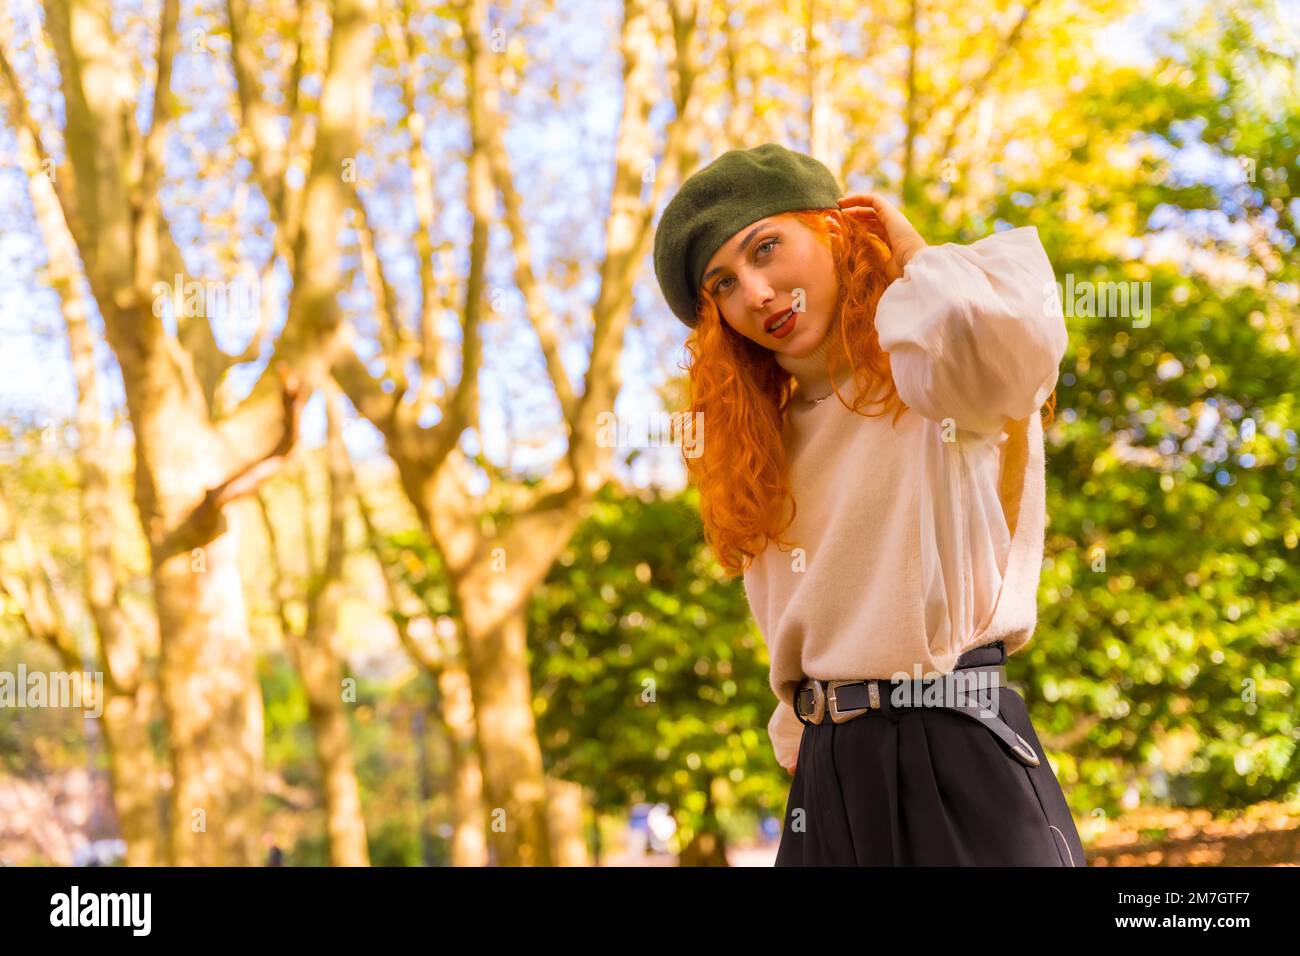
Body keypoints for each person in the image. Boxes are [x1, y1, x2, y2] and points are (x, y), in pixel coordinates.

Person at [651, 142, 1085, 866]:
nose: (755, 293)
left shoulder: (933, 372)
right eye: (723, 284)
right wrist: (800, 746)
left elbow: (1014, 337)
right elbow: (787, 613)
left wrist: (907, 246)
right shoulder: (757, 443)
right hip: (826, 777)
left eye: (767, 248)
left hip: (956, 748)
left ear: (834, 230)